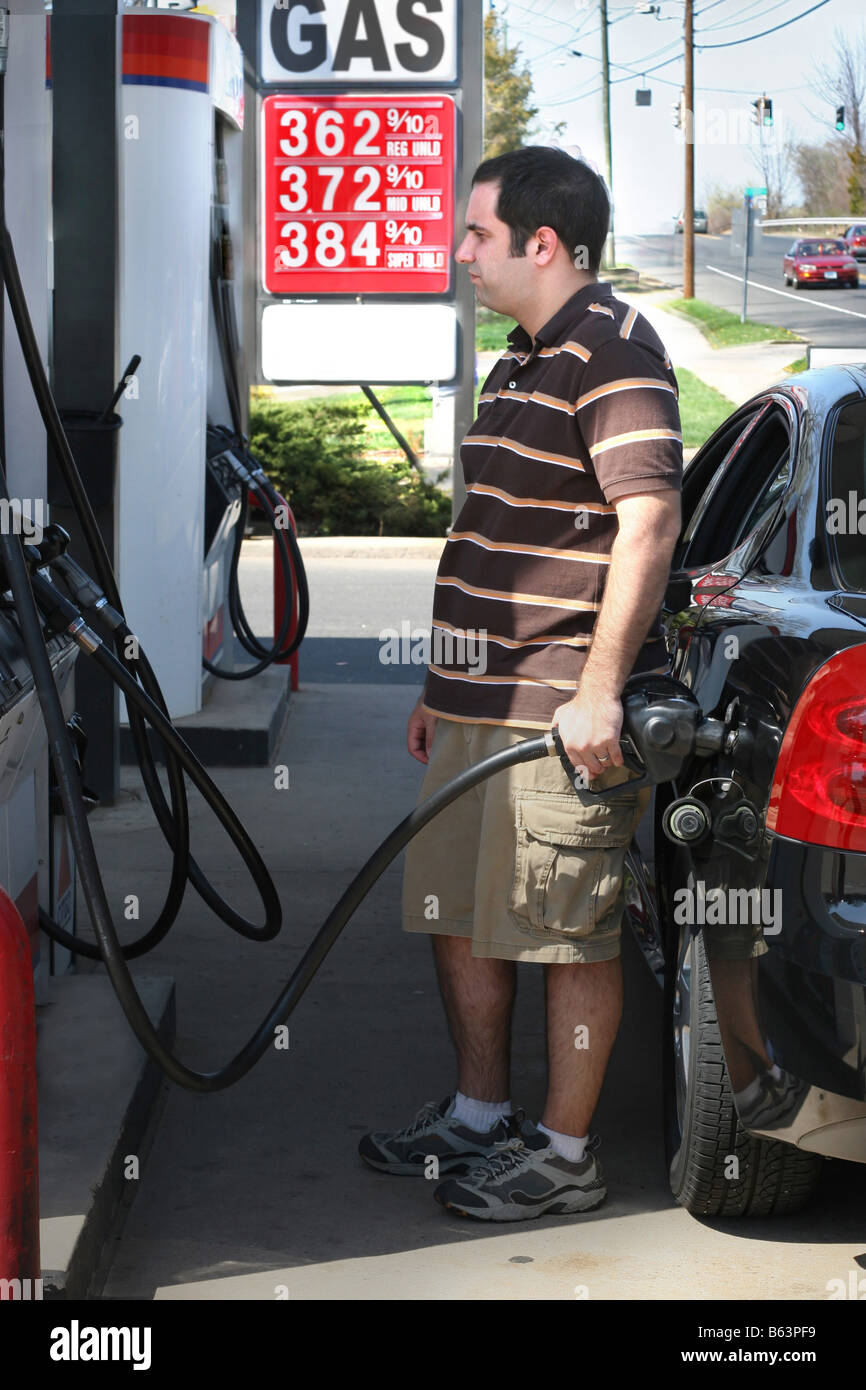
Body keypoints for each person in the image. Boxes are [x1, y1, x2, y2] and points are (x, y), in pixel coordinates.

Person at [359, 146, 683, 1221]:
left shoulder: (613, 350)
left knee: (563, 931)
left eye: (476, 235)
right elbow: (488, 539)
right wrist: (435, 683)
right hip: (471, 708)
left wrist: (595, 691)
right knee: (458, 913)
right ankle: (477, 1112)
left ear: (541, 243)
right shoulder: (518, 360)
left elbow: (648, 521)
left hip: (555, 712)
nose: (459, 254)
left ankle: (562, 1154)